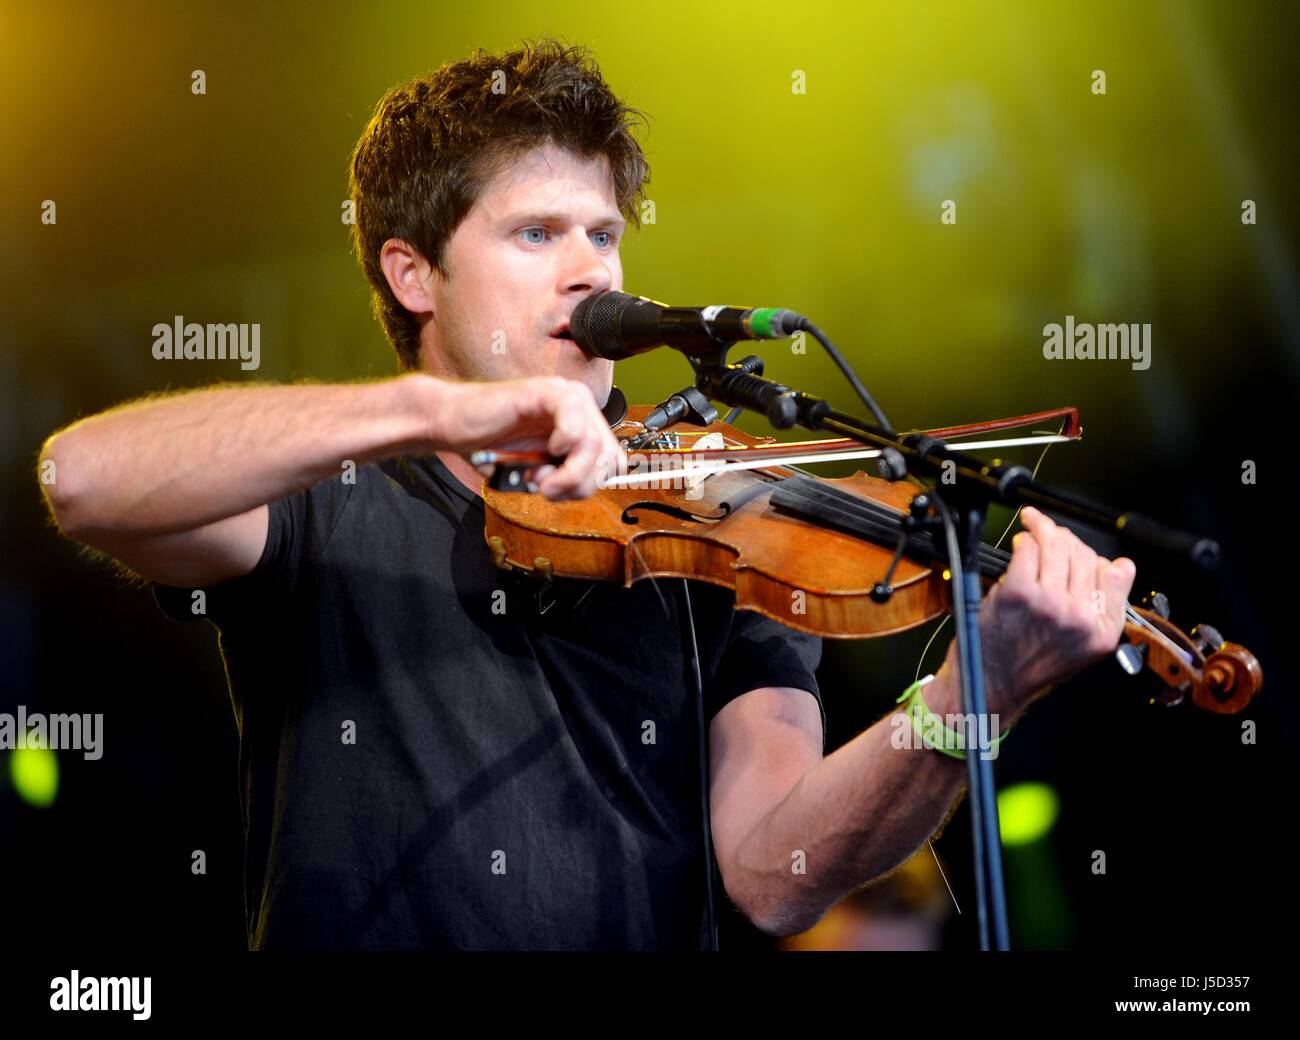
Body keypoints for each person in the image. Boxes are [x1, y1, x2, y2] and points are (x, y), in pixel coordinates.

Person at [36, 38, 1136, 950]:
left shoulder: (718, 516)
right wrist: (438, 414)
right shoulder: (333, 492)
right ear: (411, 272)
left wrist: (971, 693)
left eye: (602, 234)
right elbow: (81, 479)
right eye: (535, 233)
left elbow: (773, 870)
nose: (592, 272)